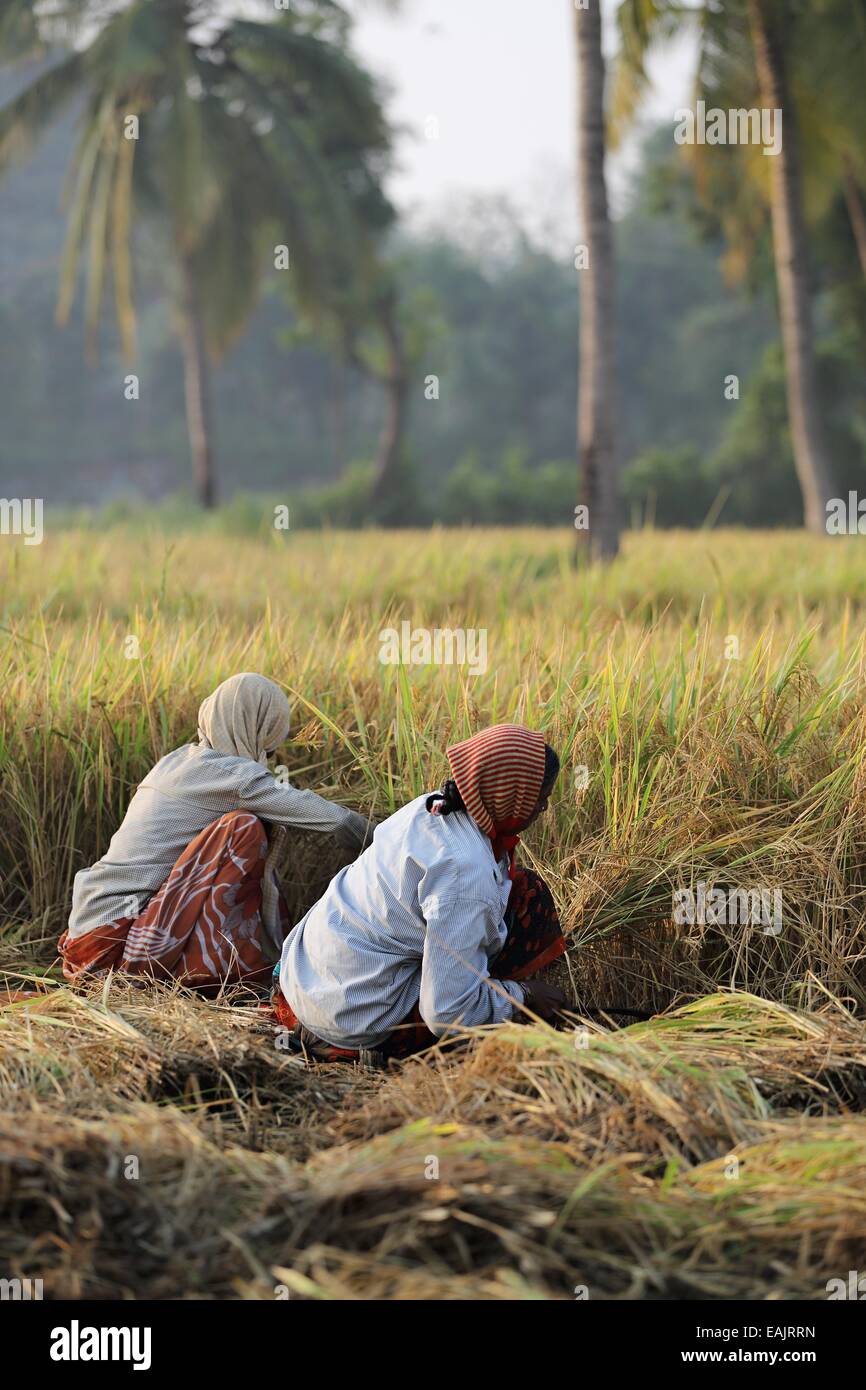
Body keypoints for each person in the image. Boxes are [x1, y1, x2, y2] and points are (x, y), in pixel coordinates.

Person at [273, 723, 570, 1063]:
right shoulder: (465, 874)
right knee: (531, 904)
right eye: (540, 800)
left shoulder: (431, 807)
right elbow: (446, 1013)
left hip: (304, 982)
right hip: (348, 1022)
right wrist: (524, 998)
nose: (542, 811)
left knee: (523, 890)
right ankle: (513, 1036)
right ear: (509, 796)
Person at [58, 672, 370, 990]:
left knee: (236, 830)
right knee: (241, 829)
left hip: (85, 944)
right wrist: (391, 835)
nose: (270, 756)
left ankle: (205, 970)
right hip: (115, 953)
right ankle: (228, 973)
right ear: (255, 727)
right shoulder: (230, 775)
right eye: (269, 745)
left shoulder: (176, 761)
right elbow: (336, 821)